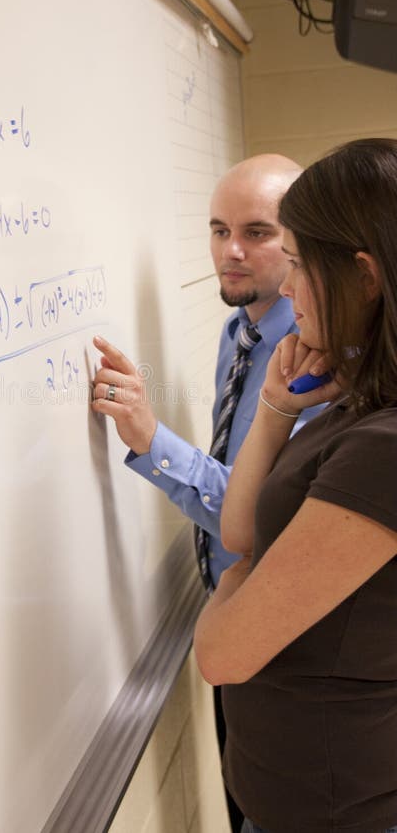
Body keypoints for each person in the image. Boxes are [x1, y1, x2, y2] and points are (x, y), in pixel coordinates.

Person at [91, 153, 321, 833]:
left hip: (291, 650)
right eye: (219, 230)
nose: (232, 252)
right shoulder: (239, 333)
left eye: (257, 232)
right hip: (232, 633)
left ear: (303, 243)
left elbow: (269, 516)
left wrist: (151, 439)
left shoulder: (315, 360)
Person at [193, 138, 397, 833]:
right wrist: (278, 410)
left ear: (365, 276)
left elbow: (221, 655)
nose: (285, 285)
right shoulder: (354, 393)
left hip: (342, 814)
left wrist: (237, 582)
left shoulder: (384, 448)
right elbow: (240, 532)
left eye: (301, 264)